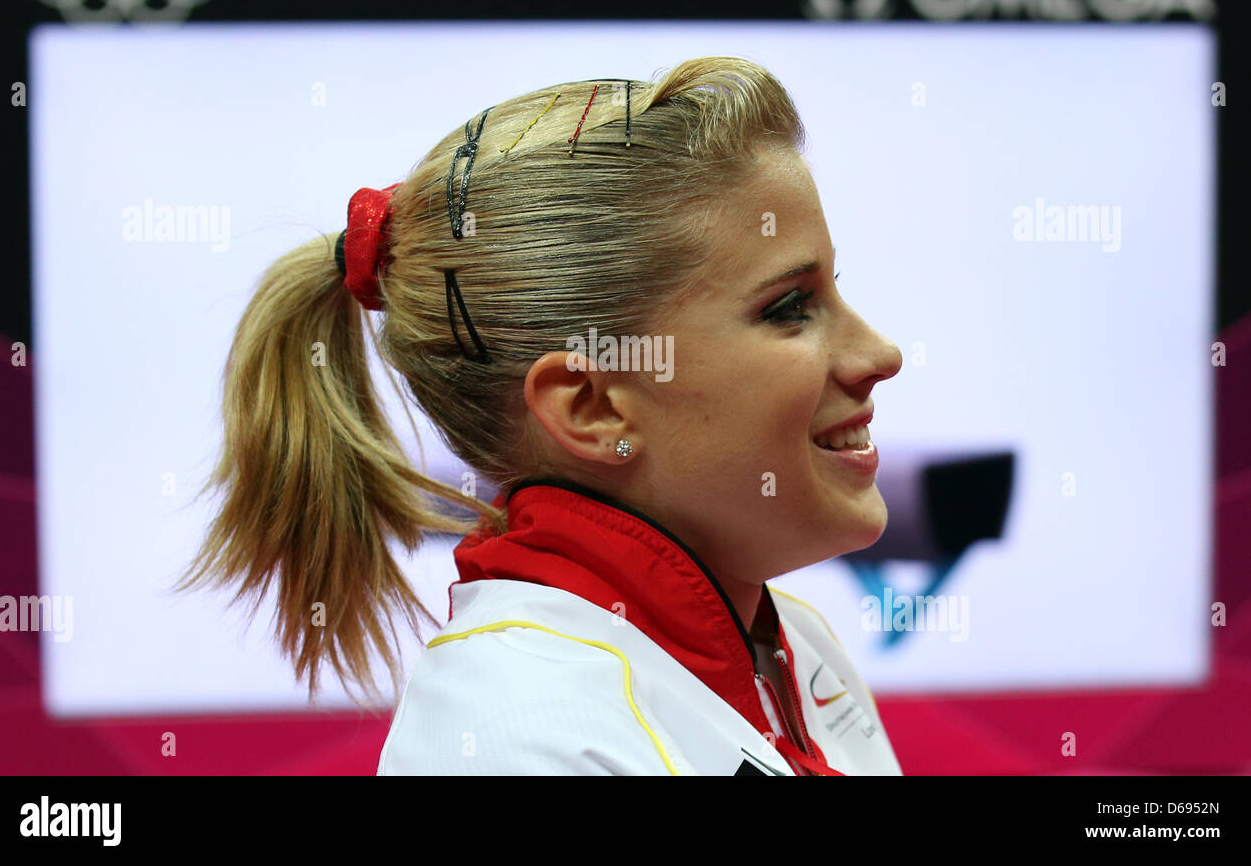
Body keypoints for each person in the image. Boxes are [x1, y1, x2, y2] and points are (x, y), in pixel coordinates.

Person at [176, 55, 904, 775]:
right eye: (789, 308)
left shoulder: (793, 646)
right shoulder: (518, 736)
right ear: (590, 407)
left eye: (833, 290)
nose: (880, 352)